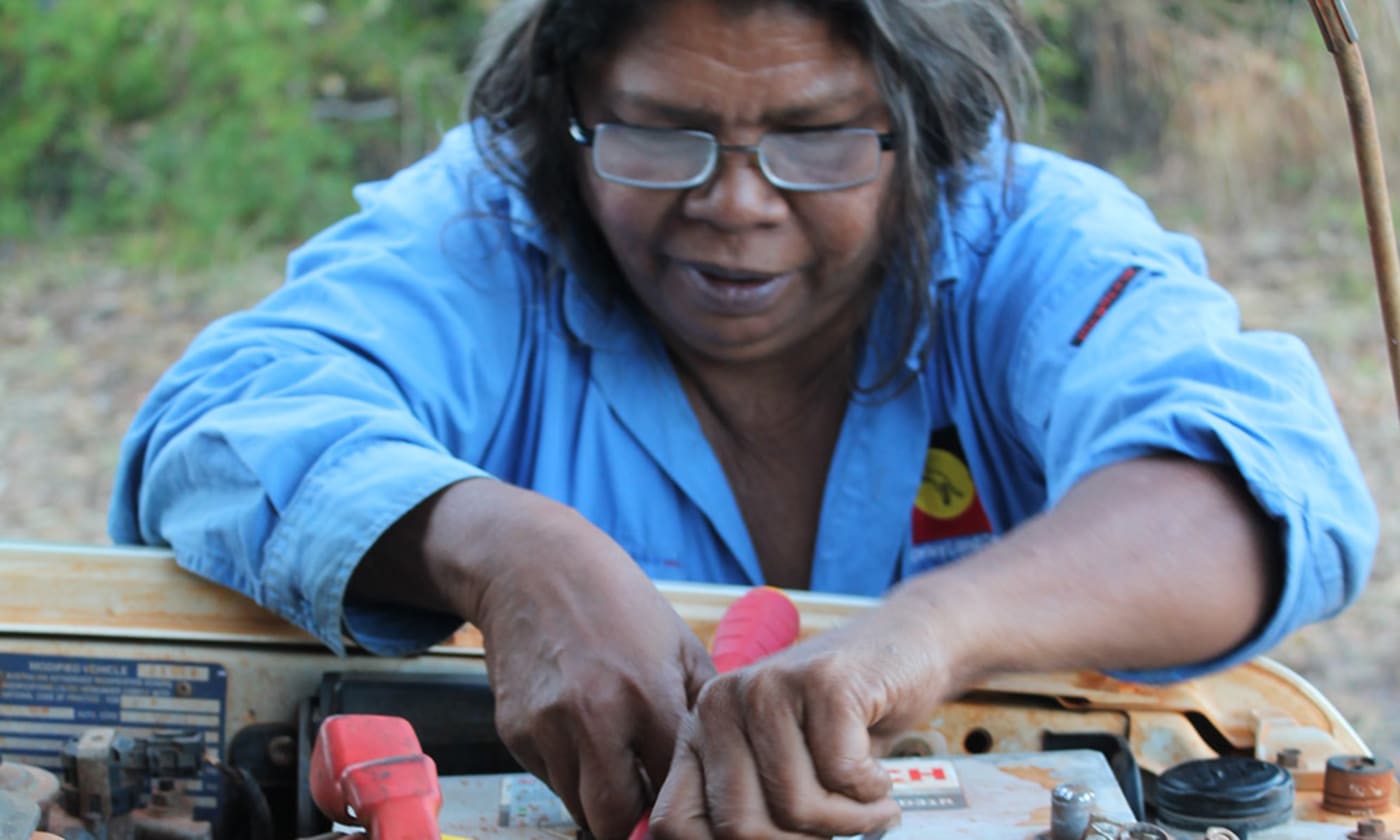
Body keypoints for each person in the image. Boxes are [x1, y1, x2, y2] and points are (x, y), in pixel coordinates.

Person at [109, 0, 1377, 837]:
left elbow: (1253, 491)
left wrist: (920, 637)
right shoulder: (483, 233)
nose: (733, 202)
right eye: (661, 135)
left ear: (921, 127)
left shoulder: (1033, 239)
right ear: (566, 113)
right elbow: (218, 422)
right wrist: (505, 551)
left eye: (816, 139)